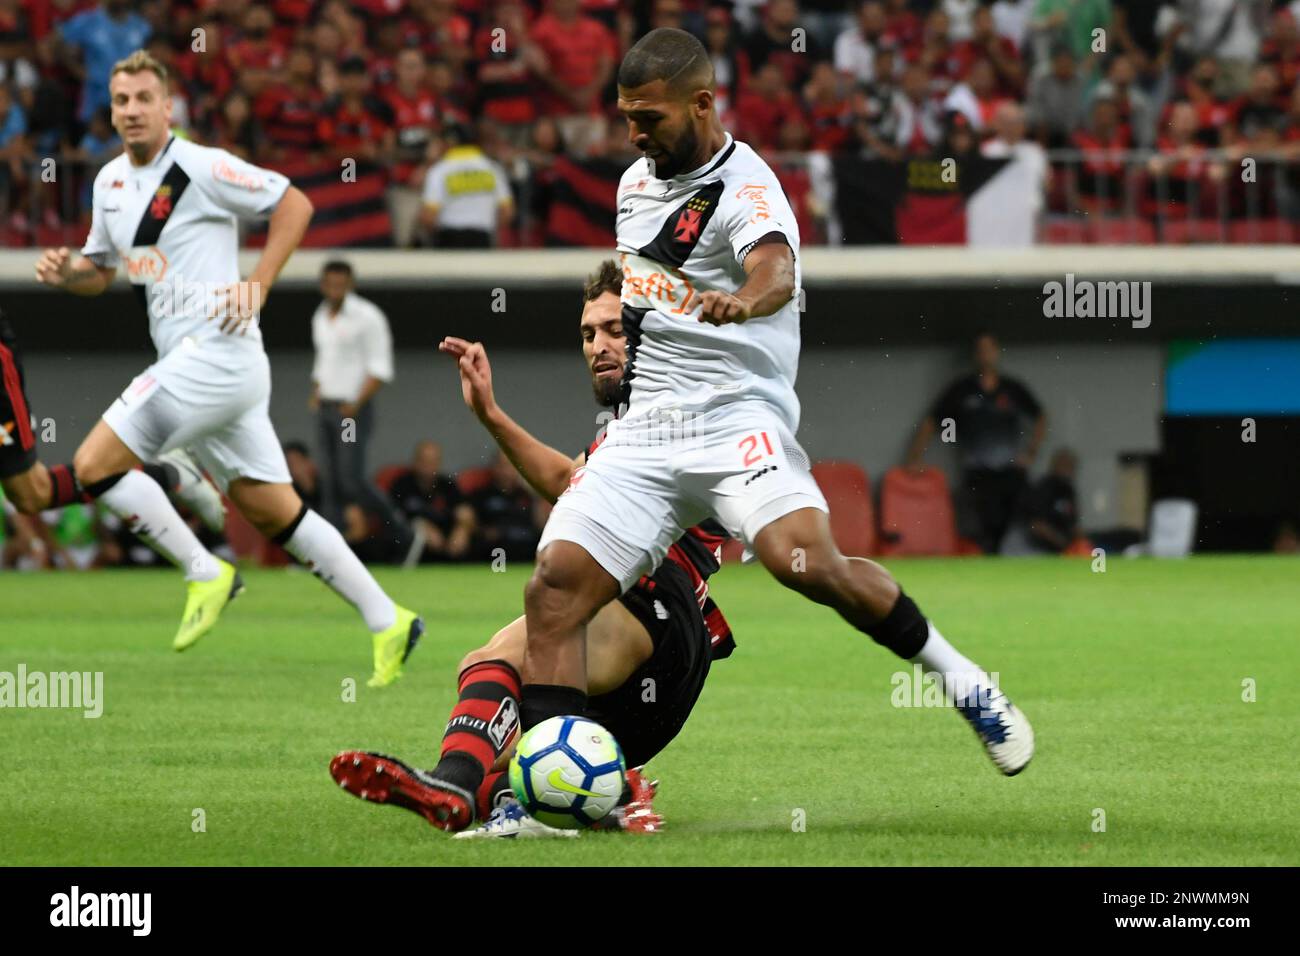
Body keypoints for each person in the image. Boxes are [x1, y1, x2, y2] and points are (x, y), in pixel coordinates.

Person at [515, 29, 1033, 783]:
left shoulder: (749, 190)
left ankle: (962, 680)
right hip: (651, 426)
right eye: (625, 115)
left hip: (737, 423)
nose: (633, 133)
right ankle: (538, 799)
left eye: (648, 118)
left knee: (805, 563)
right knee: (553, 589)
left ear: (701, 103)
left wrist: (743, 302)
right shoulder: (634, 184)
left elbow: (777, 270)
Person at [31, 51, 422, 687]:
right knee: (275, 513)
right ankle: (390, 619)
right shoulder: (108, 185)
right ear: (111, 110)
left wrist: (259, 284)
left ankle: (203, 569)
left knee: (93, 466)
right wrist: (67, 273)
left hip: (214, 353)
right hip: (206, 370)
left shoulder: (201, 166)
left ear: (167, 107)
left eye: (142, 99)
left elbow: (294, 204)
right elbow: (99, 273)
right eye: (120, 100)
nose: (131, 110)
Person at [331, 260, 735, 836]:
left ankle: (457, 780)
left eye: (616, 329)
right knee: (494, 701)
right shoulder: (625, 429)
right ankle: (600, 793)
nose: (599, 345)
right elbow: (569, 479)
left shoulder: (688, 409)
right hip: (665, 667)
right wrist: (490, 415)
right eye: (589, 333)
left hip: (655, 601)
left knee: (507, 652)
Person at [906, 332, 1046, 554]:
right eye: (980, 350)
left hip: (1010, 471)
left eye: (989, 349)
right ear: (974, 355)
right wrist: (914, 458)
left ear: (997, 352)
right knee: (981, 527)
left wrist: (1031, 452)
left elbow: (1040, 415)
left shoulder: (1011, 388)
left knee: (1016, 521)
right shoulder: (962, 390)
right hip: (978, 473)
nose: (985, 355)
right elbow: (931, 422)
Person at [308, 259, 406, 546]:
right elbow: (323, 361)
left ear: (351, 284)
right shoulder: (320, 315)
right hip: (325, 407)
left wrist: (356, 404)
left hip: (350, 411)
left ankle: (404, 533)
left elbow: (381, 368)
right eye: (330, 283)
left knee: (350, 479)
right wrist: (316, 391)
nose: (335, 289)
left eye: (341, 284)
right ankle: (330, 549)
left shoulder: (368, 316)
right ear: (322, 285)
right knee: (328, 481)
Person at [419, 122, 513, 248]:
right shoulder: (493, 168)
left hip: (449, 236)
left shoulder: (439, 170)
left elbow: (428, 217)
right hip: (482, 236)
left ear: (449, 142)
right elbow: (507, 212)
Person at [387, 440, 474, 563]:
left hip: (446, 543)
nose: (427, 466)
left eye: (432, 462)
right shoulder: (402, 485)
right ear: (415, 462)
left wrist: (462, 528)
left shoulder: (448, 485)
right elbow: (393, 517)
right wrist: (420, 526)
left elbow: (465, 512)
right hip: (415, 543)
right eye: (423, 461)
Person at [1000, 448, 1081, 555]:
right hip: (1026, 545)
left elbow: (1073, 525)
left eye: (1071, 465)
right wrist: (1064, 544)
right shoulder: (1044, 487)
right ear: (1054, 464)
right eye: (1064, 464)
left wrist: (1078, 543)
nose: (1068, 469)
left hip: (1052, 549)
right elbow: (1037, 525)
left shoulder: (1068, 491)